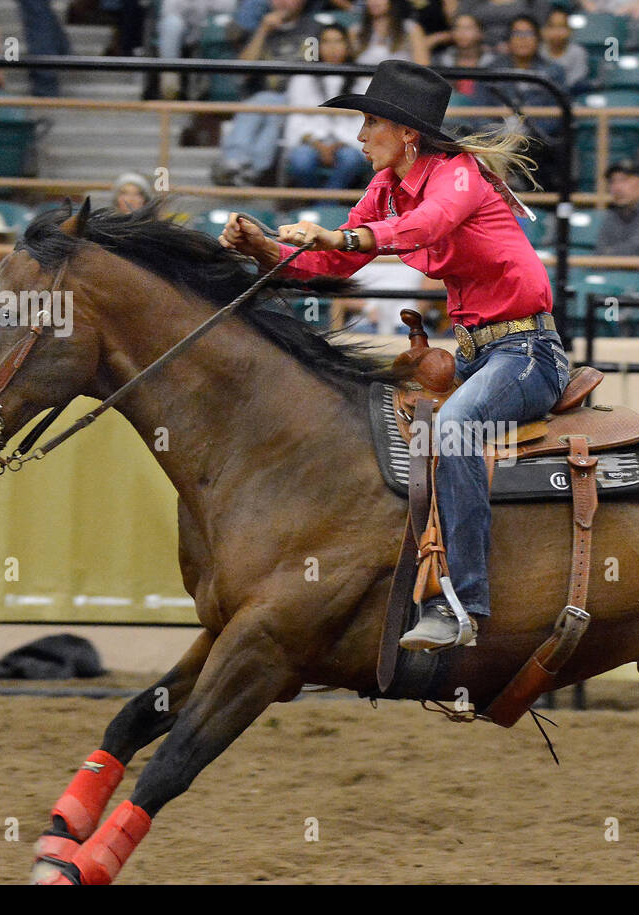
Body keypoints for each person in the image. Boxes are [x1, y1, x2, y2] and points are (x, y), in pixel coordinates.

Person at [219, 60, 570, 651]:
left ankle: (462, 602)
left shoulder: (458, 175)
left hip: (528, 350)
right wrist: (263, 248)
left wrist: (342, 236)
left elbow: (426, 227)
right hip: (481, 354)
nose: (359, 136)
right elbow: (331, 265)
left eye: (370, 121)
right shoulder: (386, 189)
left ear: (408, 133)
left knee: (456, 427)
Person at [211, 0, 320, 187]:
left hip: (301, 97)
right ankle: (251, 170)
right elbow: (243, 71)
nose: (283, 2)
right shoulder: (259, 27)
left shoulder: (314, 28)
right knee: (269, 109)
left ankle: (235, 161)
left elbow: (315, 67)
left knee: (268, 104)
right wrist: (263, 30)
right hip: (261, 99)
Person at [282, 25, 371, 189]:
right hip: (310, 142)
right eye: (326, 42)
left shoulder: (362, 80)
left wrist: (341, 143)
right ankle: (320, 206)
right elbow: (295, 119)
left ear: (347, 46)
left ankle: (322, 207)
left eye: (338, 42)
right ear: (317, 47)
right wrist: (317, 145)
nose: (333, 48)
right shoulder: (302, 78)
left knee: (350, 160)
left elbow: (365, 121)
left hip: (349, 143)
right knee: (301, 160)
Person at [432, 12, 495, 111]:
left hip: (486, 117)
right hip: (450, 119)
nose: (462, 32)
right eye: (458, 28)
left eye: (468, 28)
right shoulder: (441, 61)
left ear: (480, 33)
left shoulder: (494, 62)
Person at [354, 0, 430, 66]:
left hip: (401, 82)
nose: (374, 1)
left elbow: (423, 66)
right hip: (363, 82)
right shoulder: (356, 31)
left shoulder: (411, 30)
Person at [541, 4, 589, 94]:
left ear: (570, 30)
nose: (557, 32)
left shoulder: (578, 52)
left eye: (562, 27)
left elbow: (576, 81)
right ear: (544, 30)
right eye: (552, 27)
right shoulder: (538, 51)